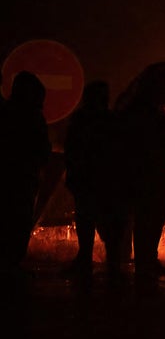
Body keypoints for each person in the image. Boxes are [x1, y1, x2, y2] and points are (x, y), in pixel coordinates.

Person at [115, 61, 165, 281]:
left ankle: (148, 260)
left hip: (157, 171)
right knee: (147, 216)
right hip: (148, 171)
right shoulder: (143, 112)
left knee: (154, 216)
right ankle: (145, 262)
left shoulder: (152, 111)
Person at [0, 71, 52, 275]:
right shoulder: (31, 117)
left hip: (15, 176)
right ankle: (11, 263)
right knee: (18, 218)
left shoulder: (6, 112)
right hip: (22, 177)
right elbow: (41, 148)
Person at [62, 81, 114, 278]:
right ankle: (109, 263)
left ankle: (87, 260)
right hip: (98, 179)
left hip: (88, 179)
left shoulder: (81, 120)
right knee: (100, 222)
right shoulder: (108, 120)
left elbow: (71, 149)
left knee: (88, 220)